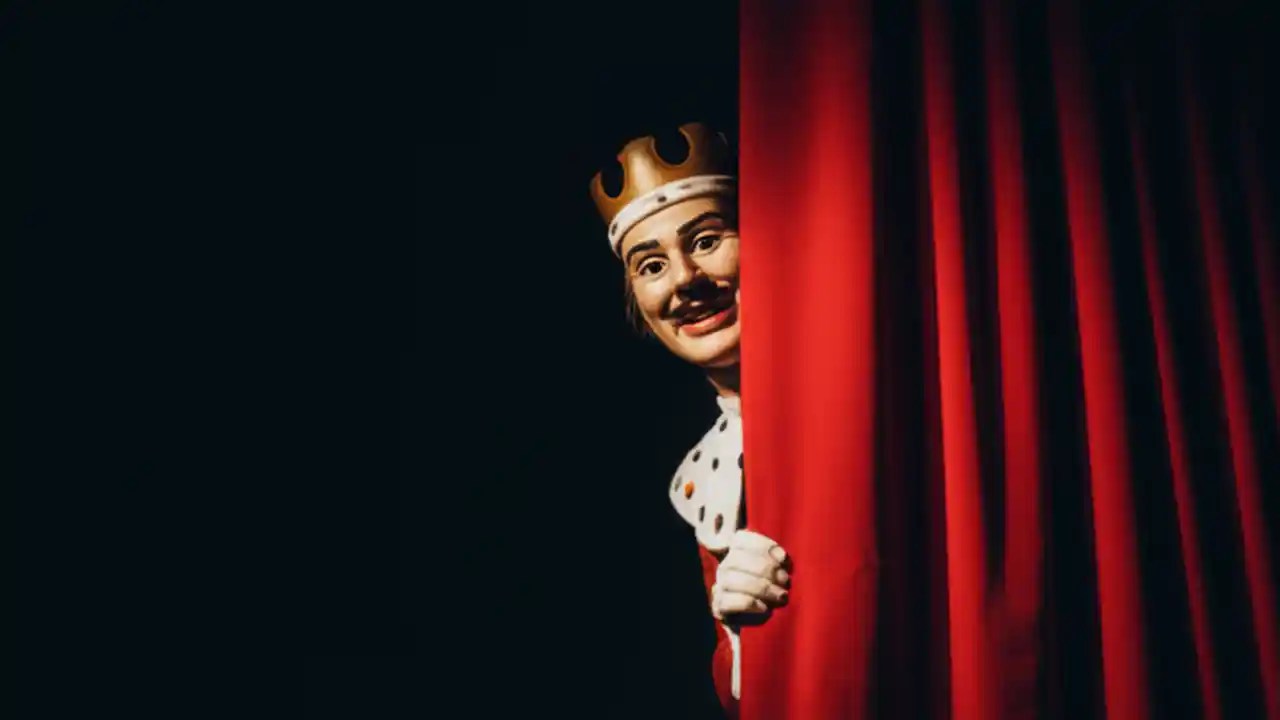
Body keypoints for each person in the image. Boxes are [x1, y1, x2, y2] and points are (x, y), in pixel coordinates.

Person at [589, 122, 792, 718]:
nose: (684, 281)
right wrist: (742, 637)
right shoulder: (701, 478)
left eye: (705, 240)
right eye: (650, 266)